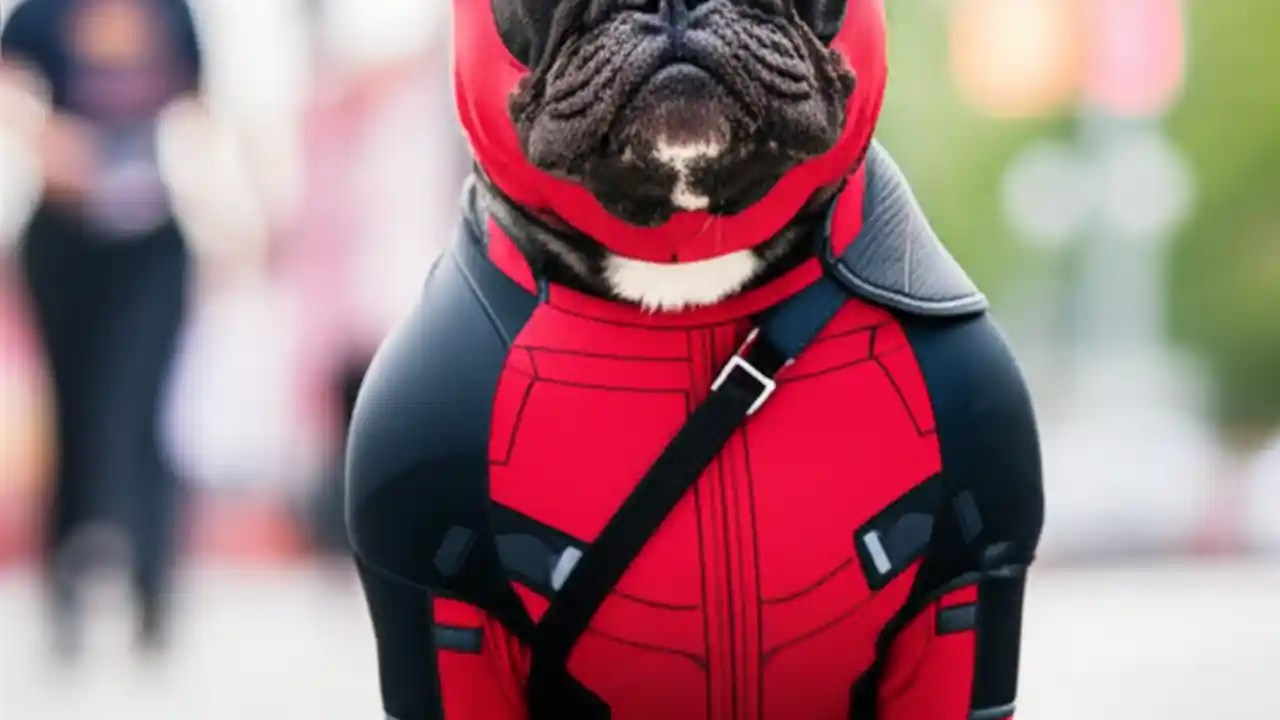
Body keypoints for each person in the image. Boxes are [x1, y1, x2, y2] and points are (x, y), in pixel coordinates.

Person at [0, 0, 203, 657]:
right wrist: (43, 136)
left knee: (138, 406)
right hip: (62, 241)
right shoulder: (39, 14)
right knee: (73, 413)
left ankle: (152, 583)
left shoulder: (172, 14)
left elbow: (202, 110)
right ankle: (65, 581)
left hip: (151, 243)